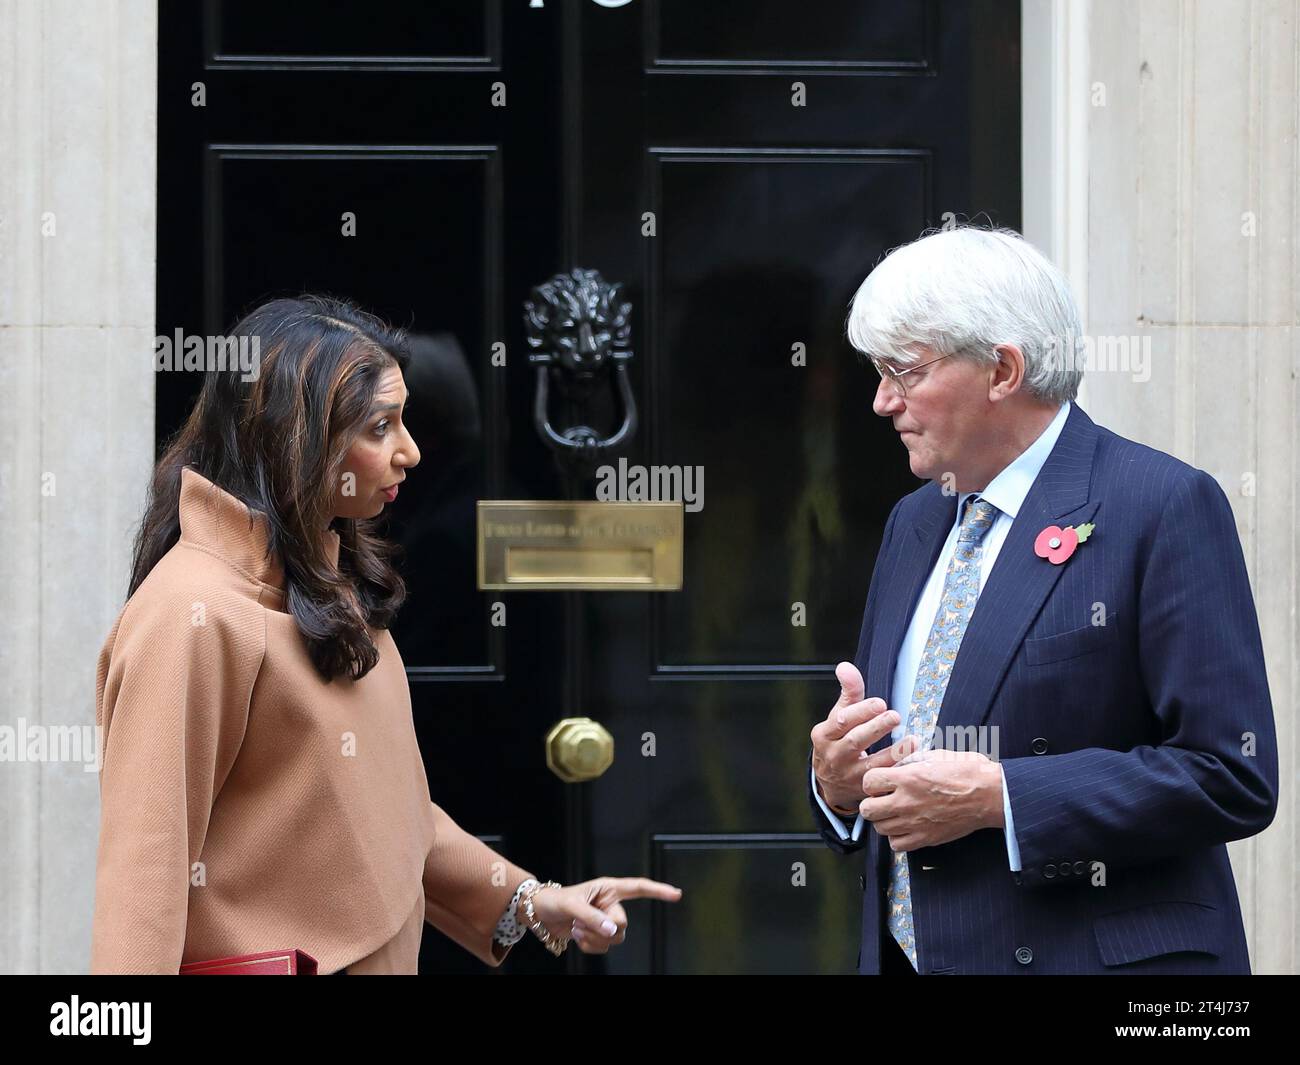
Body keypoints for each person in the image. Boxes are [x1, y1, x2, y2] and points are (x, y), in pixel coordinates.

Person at [91, 295, 681, 974]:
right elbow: (145, 876)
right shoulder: (189, 613)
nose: (411, 451)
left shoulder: (327, 579)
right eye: (381, 426)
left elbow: (389, 811)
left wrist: (530, 900)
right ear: (295, 436)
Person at [808, 226, 1278, 975]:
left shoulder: (1160, 505)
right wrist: (837, 782)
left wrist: (1002, 795)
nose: (880, 400)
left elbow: (1231, 775)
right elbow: (894, 763)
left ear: (1002, 370)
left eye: (904, 370)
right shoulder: (915, 520)